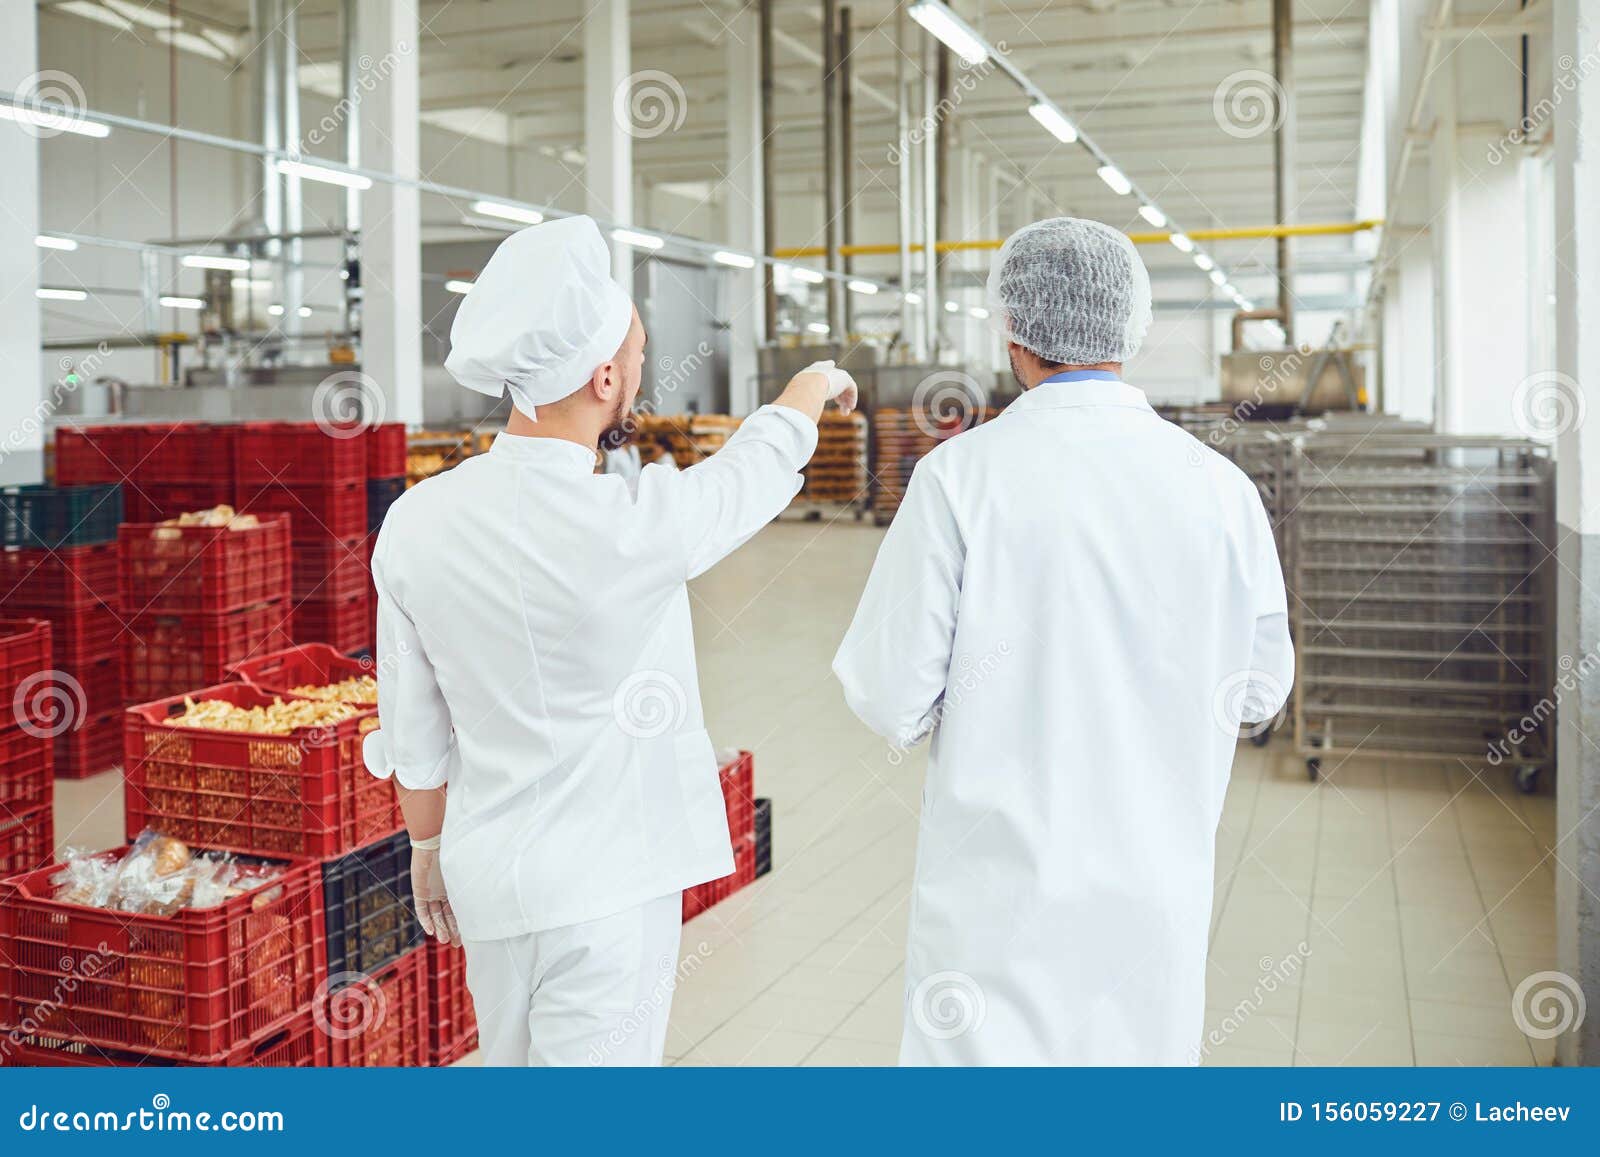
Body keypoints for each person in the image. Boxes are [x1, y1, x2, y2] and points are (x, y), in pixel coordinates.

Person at [361, 214, 856, 1066]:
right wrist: (809, 386)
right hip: (604, 896)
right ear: (601, 379)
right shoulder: (630, 523)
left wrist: (430, 849)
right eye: (635, 354)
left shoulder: (415, 522)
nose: (638, 370)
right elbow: (749, 477)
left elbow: (413, 729)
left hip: (491, 881)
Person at [831, 217, 1294, 1066]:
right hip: (1151, 910)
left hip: (994, 923)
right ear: (1130, 327)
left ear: (1012, 333)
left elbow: (891, 695)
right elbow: (1259, 693)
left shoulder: (959, 478)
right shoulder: (1220, 490)